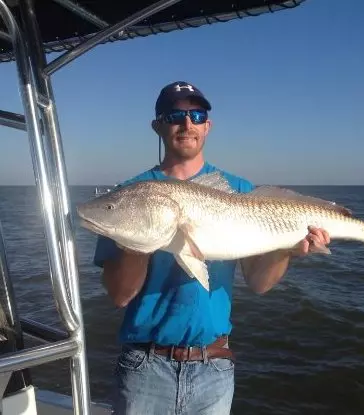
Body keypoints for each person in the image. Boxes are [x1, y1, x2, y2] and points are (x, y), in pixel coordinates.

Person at [93, 81, 331, 415]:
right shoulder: (130, 196)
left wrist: (287, 250)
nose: (187, 123)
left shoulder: (239, 191)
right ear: (157, 125)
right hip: (144, 368)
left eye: (196, 114)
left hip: (214, 369)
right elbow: (119, 296)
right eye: (175, 114)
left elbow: (260, 283)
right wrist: (140, 237)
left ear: (208, 125)